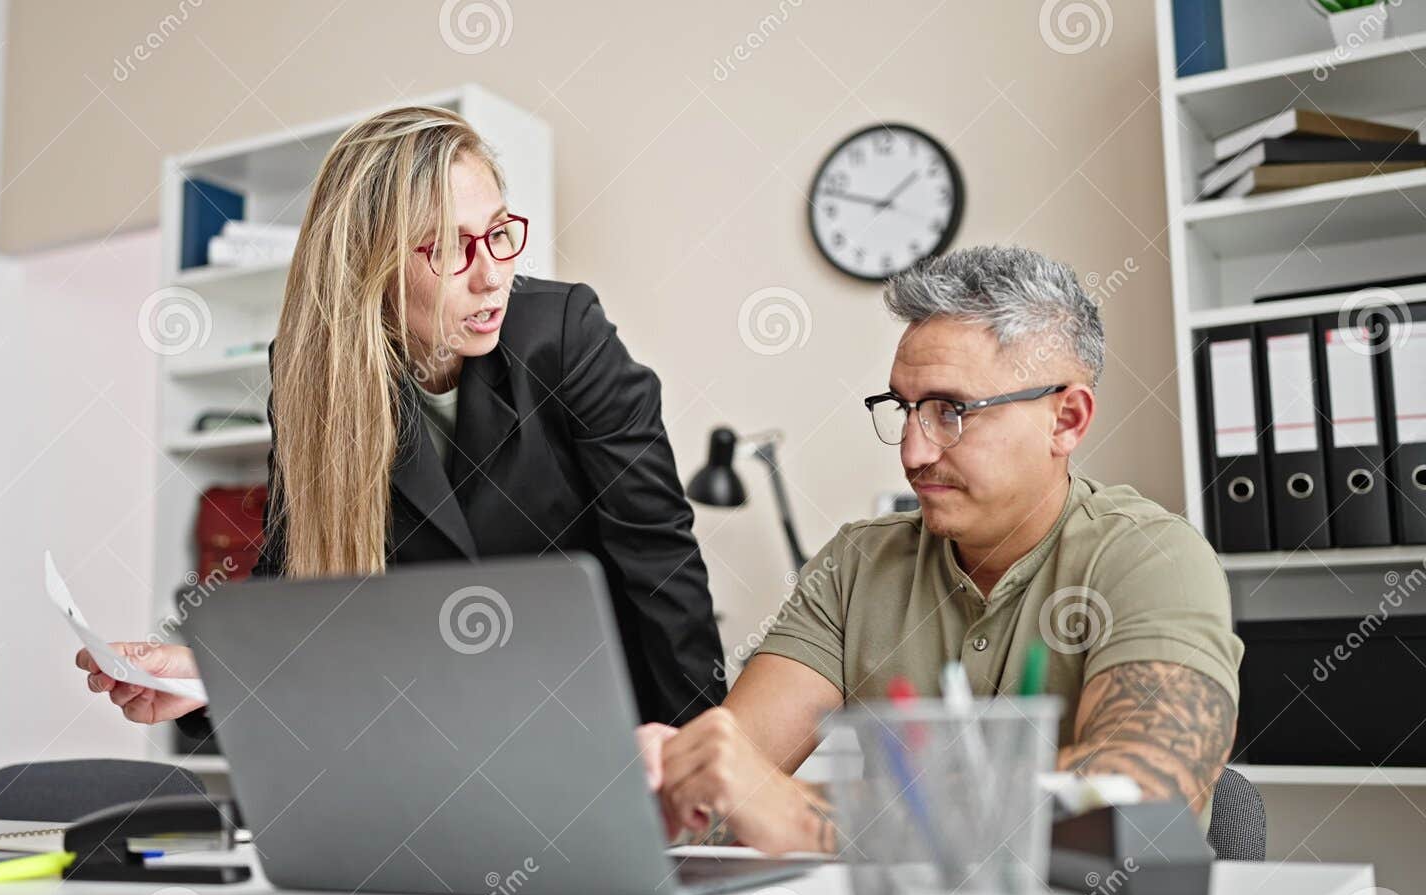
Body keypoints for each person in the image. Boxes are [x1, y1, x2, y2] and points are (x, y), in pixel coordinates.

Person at [76, 106, 725, 730]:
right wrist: (200, 675)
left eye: (499, 233)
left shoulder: (566, 334)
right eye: (447, 249)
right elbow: (298, 592)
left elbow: (658, 555)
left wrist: (707, 756)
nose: (492, 276)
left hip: (600, 723)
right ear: (371, 264)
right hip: (424, 737)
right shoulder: (314, 376)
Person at [642, 245, 1243, 854]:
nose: (913, 453)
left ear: (1066, 420)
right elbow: (721, 794)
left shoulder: (1155, 560)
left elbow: (1141, 805)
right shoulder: (856, 565)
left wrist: (807, 820)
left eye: (951, 411)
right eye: (905, 409)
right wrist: (671, 774)